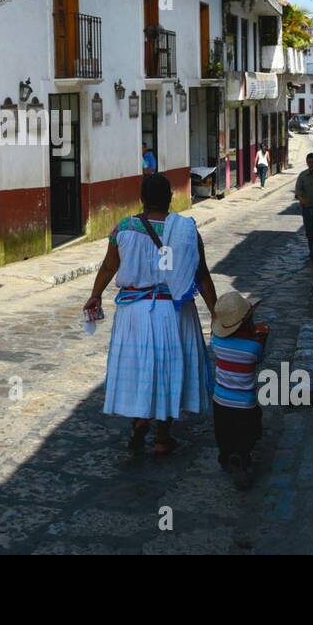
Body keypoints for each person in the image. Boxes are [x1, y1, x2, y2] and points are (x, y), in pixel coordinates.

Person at [84, 174, 216, 455]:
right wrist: (217, 312)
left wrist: (95, 294)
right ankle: (162, 437)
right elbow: (201, 275)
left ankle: (140, 419)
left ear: (141, 199)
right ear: (170, 198)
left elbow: (109, 266)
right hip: (174, 311)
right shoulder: (187, 230)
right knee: (168, 369)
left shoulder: (124, 228)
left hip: (135, 313)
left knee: (142, 367)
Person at [210, 289, 269, 489]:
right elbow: (259, 357)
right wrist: (262, 337)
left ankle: (226, 456)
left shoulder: (217, 343)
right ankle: (241, 457)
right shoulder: (252, 348)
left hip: (220, 400)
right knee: (248, 432)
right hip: (245, 403)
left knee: (223, 432)